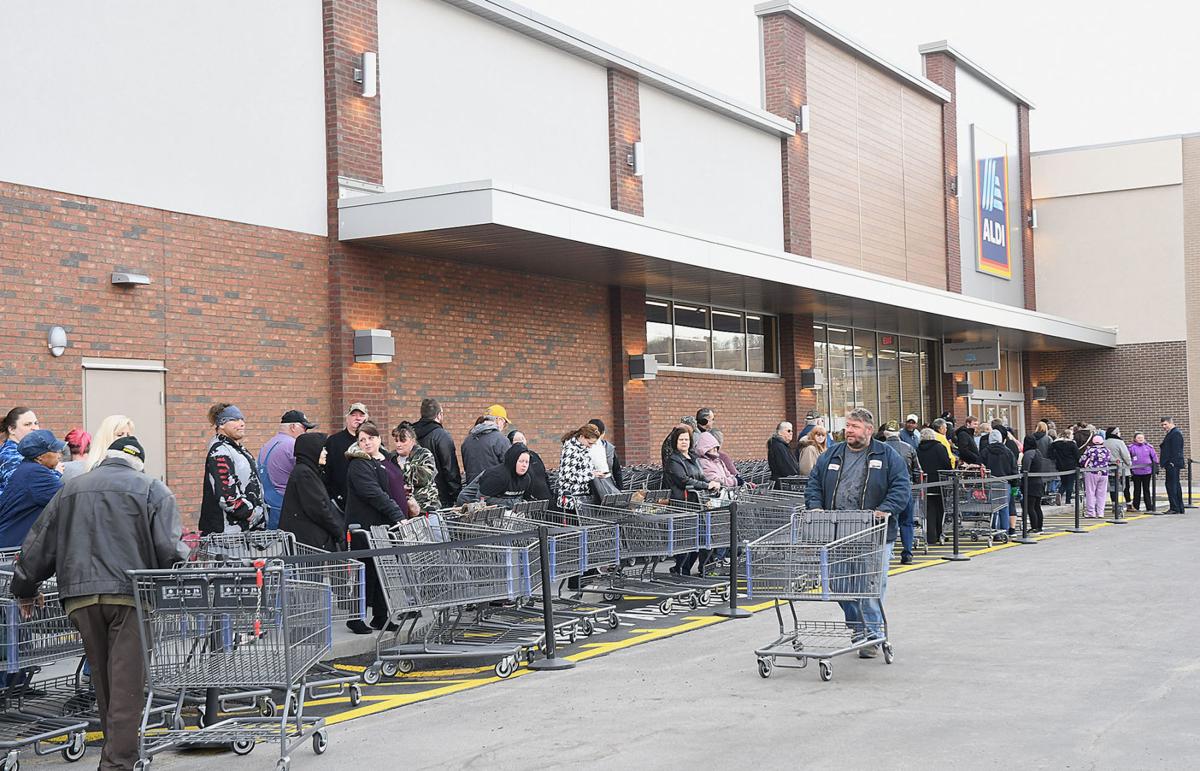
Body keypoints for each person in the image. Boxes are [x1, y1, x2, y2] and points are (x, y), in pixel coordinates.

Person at [10, 436, 187, 771]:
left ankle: (114, 755)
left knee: (106, 683)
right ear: (139, 462)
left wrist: (24, 588)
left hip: (80, 597)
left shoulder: (70, 490)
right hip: (131, 594)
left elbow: (38, 546)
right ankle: (118, 763)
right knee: (126, 682)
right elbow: (171, 550)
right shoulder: (152, 488)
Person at [805, 408, 909, 657]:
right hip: (837, 531)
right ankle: (858, 629)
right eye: (848, 425)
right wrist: (816, 507)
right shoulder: (832, 454)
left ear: (869, 430)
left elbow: (901, 487)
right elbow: (814, 484)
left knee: (869, 586)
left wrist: (886, 509)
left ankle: (872, 636)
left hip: (873, 532)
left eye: (854, 426)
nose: (848, 430)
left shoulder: (887, 455)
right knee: (839, 587)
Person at [345, 420, 406, 630]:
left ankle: (380, 616)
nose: (367, 443)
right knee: (363, 573)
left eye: (371, 438)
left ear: (379, 439)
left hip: (381, 527)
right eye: (362, 439)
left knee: (381, 572)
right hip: (362, 526)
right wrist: (398, 514)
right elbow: (374, 493)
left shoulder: (381, 460)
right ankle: (355, 618)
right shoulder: (358, 464)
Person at [200, 404, 265, 535]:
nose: (242, 424)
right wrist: (251, 514)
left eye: (242, 419)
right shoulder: (220, 451)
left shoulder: (238, 449)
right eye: (235, 420)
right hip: (228, 535)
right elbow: (227, 496)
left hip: (245, 532)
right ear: (221, 424)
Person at [664, 426, 719, 576]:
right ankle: (681, 569)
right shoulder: (674, 460)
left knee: (701, 538)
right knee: (687, 540)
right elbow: (683, 480)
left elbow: (701, 476)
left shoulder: (693, 458)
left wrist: (712, 483)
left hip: (698, 503)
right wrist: (706, 485)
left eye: (687, 439)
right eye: (681, 439)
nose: (684, 442)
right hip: (683, 503)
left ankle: (688, 569)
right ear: (675, 442)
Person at [0, 430, 67, 547]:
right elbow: (69, 499)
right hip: (13, 548)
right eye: (55, 450)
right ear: (40, 457)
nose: (59, 455)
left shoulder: (27, 469)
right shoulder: (36, 474)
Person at [279, 432, 345, 552]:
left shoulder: (309, 472)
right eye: (323, 449)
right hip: (308, 541)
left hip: (309, 539)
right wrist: (338, 532)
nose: (326, 453)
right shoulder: (305, 474)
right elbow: (318, 508)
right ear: (312, 451)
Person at [257, 410, 317, 529]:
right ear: (293, 426)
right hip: (284, 507)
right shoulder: (293, 445)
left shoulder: (268, 444)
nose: (305, 433)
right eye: (304, 428)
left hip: (267, 505)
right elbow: (308, 474)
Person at [882, 420, 922, 564]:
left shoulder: (880, 449)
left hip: (886, 491)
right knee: (907, 522)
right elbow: (917, 471)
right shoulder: (909, 448)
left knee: (887, 521)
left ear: (886, 434)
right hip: (907, 489)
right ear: (898, 433)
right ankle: (907, 553)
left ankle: (888, 551)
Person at [414, 398, 462, 507]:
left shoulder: (410, 435)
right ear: (439, 415)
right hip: (439, 498)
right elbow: (450, 468)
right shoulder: (441, 436)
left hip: (416, 498)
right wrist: (456, 496)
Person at [324, 402, 369, 510]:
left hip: (367, 500)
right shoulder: (334, 441)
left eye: (361, 415)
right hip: (340, 502)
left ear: (366, 418)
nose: (357, 418)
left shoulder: (373, 442)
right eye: (353, 415)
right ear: (347, 418)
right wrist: (332, 498)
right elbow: (326, 472)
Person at [392, 421, 439, 514]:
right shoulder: (391, 458)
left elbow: (425, 477)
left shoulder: (424, 454)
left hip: (426, 509)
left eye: (402, 440)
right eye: (396, 441)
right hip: (403, 511)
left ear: (412, 441)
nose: (398, 444)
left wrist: (404, 467)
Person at [916, 427, 953, 544]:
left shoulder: (917, 450)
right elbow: (947, 464)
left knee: (929, 509)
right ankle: (939, 533)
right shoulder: (940, 447)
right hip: (939, 482)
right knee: (940, 508)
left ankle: (931, 535)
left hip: (925, 483)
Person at [474, 445, 539, 508]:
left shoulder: (527, 479)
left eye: (527, 462)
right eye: (521, 461)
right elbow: (482, 499)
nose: (524, 465)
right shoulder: (498, 476)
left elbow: (525, 499)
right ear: (513, 461)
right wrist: (513, 503)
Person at [979, 429, 1017, 533]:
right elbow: (1014, 470)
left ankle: (994, 530)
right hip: (1005, 483)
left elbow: (981, 467)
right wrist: (1015, 487)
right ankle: (1004, 530)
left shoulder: (985, 452)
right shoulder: (1008, 452)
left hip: (990, 483)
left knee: (993, 509)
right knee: (1004, 507)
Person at [461, 405, 512, 482]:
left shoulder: (468, 440)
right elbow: (510, 467)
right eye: (504, 423)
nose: (504, 427)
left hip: (470, 490)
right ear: (499, 420)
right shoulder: (501, 440)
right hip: (493, 489)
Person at [556, 424, 601, 510]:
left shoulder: (583, 450)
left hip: (582, 499)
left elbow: (583, 470)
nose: (590, 446)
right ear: (582, 437)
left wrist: (594, 473)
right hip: (571, 500)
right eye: (590, 443)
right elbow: (567, 476)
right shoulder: (570, 450)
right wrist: (591, 475)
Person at [0, 407, 40, 499]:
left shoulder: (26, 452)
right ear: (11, 429)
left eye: (36, 423)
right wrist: (56, 472)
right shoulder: (9, 456)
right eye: (27, 424)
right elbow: (24, 487)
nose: (34, 428)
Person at [507, 430, 552, 502]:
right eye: (518, 440)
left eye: (522, 438)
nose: (521, 441)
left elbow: (544, 475)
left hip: (546, 497)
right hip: (531, 502)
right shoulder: (512, 460)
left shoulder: (534, 455)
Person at [586, 419, 622, 499]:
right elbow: (617, 470)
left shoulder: (583, 446)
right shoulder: (609, 448)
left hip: (592, 488)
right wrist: (619, 489)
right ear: (603, 433)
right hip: (605, 484)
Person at [1019, 435, 1047, 533]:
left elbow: (1025, 468)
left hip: (1030, 483)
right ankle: (1039, 526)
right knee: (1037, 506)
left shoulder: (1028, 453)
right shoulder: (1038, 452)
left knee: (1030, 506)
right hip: (1039, 481)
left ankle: (1034, 526)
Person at [1081, 434, 1113, 519]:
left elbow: (1082, 461)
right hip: (1104, 473)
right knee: (1102, 494)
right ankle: (1100, 512)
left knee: (1090, 492)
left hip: (1092, 472)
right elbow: (1110, 460)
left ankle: (1091, 512)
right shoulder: (1107, 450)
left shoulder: (1090, 450)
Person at [1160, 416, 1185, 514]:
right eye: (1162, 425)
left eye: (1165, 424)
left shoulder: (1175, 433)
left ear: (1171, 423)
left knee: (1172, 485)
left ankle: (1175, 507)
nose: (1163, 426)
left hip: (1172, 464)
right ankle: (1178, 508)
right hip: (1171, 464)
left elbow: (1176, 450)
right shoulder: (1172, 433)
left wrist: (1172, 463)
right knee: (1174, 485)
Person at [1104, 427, 1132, 515]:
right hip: (1121, 467)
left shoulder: (1104, 442)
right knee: (1125, 486)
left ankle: (1114, 504)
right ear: (1115, 433)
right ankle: (1128, 504)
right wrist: (1129, 463)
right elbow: (1125, 455)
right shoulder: (1120, 442)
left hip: (1109, 467)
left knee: (1113, 487)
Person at [1128, 432, 1158, 512]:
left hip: (1147, 471)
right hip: (1136, 472)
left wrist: (1156, 467)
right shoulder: (1131, 447)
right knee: (1137, 490)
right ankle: (1136, 506)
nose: (1141, 439)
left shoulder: (1149, 447)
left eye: (1142, 438)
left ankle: (1149, 506)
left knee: (1146, 489)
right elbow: (1128, 457)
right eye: (1138, 438)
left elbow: (1154, 457)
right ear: (1135, 439)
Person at [1049, 428, 1081, 504]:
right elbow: (1077, 455)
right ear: (1068, 435)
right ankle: (1068, 500)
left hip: (1060, 465)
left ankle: (1059, 493)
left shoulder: (1055, 444)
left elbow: (1050, 454)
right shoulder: (1072, 444)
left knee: (1064, 482)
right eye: (1072, 434)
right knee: (1070, 483)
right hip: (1071, 466)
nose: (1073, 435)